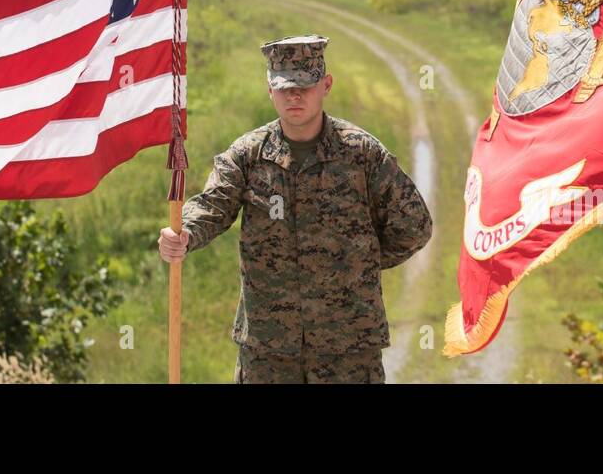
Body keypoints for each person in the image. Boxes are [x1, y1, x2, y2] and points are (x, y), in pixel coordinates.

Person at [158, 34, 433, 383]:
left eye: (305, 84)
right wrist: (184, 233)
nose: (295, 95)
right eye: (285, 87)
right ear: (269, 89)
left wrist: (358, 264)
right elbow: (213, 204)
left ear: (326, 85)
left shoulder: (362, 154)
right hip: (269, 350)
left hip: (347, 347)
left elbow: (414, 225)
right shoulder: (248, 155)